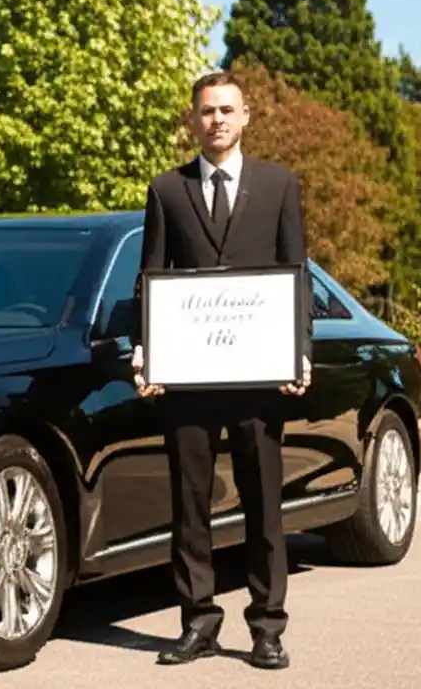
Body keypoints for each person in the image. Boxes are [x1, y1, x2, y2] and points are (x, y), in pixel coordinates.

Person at [129, 70, 312, 670]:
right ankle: (198, 622)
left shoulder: (280, 185)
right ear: (194, 119)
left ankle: (267, 627)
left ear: (246, 116)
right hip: (189, 378)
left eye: (228, 110)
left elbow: (296, 273)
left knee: (264, 505)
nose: (218, 121)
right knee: (190, 506)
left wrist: (299, 349)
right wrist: (145, 350)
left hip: (262, 378)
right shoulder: (167, 190)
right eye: (207, 112)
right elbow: (150, 277)